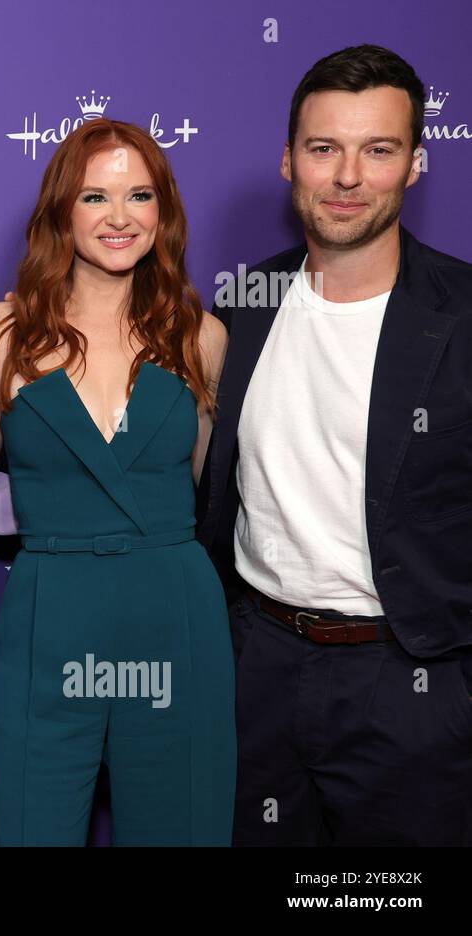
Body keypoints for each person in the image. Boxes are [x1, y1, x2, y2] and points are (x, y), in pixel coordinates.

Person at [196, 44, 472, 846]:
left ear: (416, 164)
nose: (348, 176)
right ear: (289, 160)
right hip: (260, 673)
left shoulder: (463, 314)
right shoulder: (242, 306)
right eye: (325, 149)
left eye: (378, 150)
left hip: (415, 687)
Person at [0, 118, 234, 845]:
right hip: (48, 619)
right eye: (95, 197)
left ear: (163, 212)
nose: (120, 217)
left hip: (175, 616)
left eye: (139, 195)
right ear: (62, 210)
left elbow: (210, 494)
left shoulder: (201, 338)